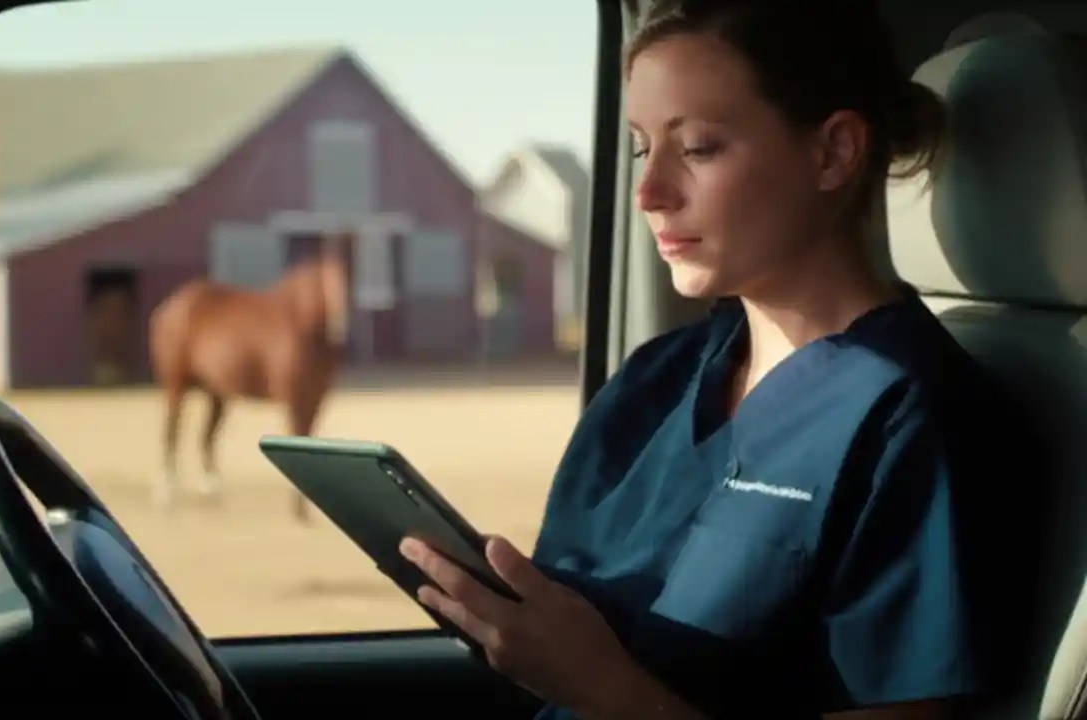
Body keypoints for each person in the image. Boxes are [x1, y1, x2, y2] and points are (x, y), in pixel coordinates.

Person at [399, 0, 1038, 718]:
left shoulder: (913, 418)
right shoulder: (654, 379)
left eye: (697, 147)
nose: (648, 193)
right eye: (642, 147)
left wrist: (602, 688)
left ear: (832, 153)